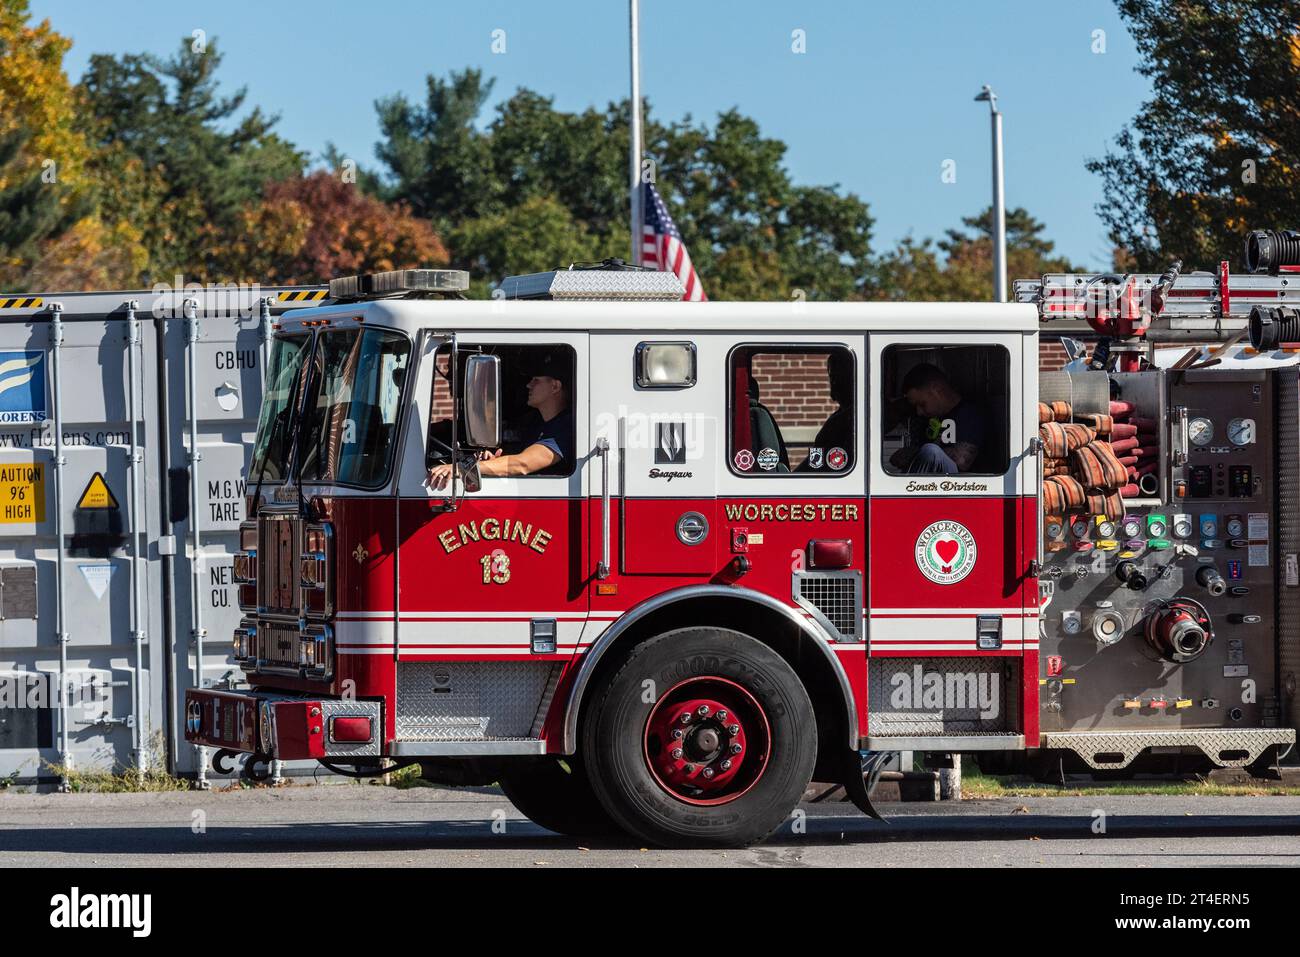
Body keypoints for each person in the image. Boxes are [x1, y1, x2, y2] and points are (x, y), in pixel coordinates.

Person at [427, 353, 574, 489]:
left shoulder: (565, 428)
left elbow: (523, 464)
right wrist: (491, 461)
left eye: (536, 381)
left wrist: (462, 468)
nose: (528, 385)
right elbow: (516, 459)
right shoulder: (536, 423)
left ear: (555, 386)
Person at [889, 363, 985, 474]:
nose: (919, 412)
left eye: (922, 404)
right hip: (930, 485)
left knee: (931, 452)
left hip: (962, 486)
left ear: (936, 389)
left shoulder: (970, 414)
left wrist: (915, 453)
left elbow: (962, 461)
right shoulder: (928, 420)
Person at [797, 351, 853, 471]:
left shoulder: (848, 420)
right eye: (832, 377)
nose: (833, 383)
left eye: (837, 377)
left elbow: (815, 464)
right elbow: (814, 462)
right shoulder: (838, 417)